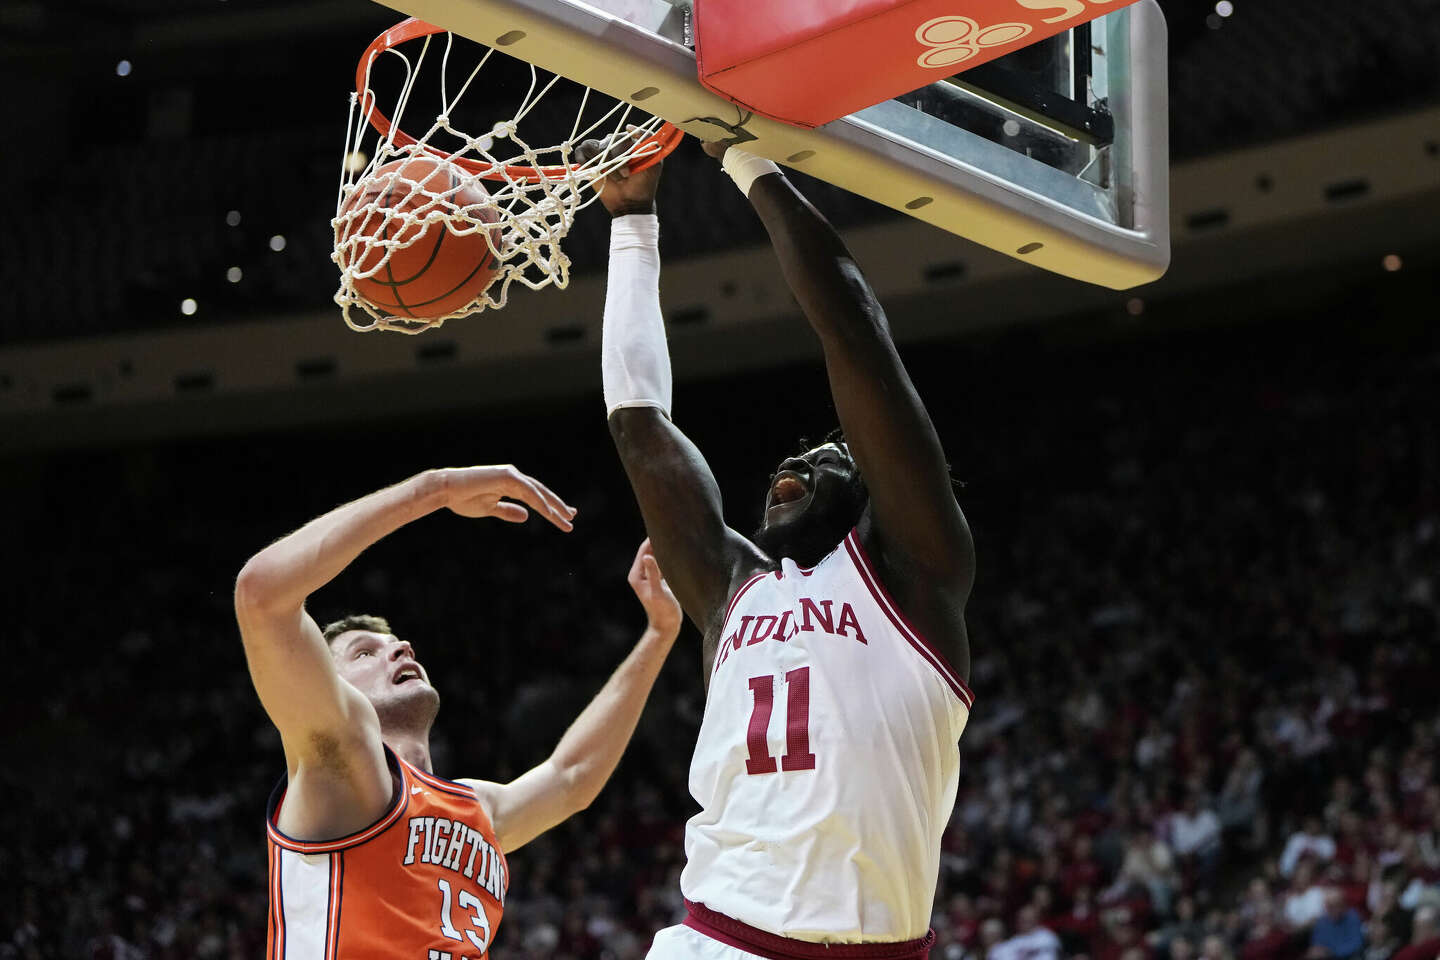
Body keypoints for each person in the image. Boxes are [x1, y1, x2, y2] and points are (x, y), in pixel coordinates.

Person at [593, 134, 976, 957]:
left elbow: (852, 329)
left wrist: (744, 154)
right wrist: (632, 222)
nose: (796, 461)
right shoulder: (731, 588)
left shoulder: (914, 572)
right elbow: (638, 426)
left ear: (877, 489)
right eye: (792, 458)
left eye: (832, 458)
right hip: (718, 938)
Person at [233, 465, 682, 959]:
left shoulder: (474, 807)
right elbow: (261, 595)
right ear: (324, 683)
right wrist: (435, 490)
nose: (400, 648)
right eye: (365, 652)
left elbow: (571, 777)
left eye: (397, 642)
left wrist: (659, 634)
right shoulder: (342, 764)